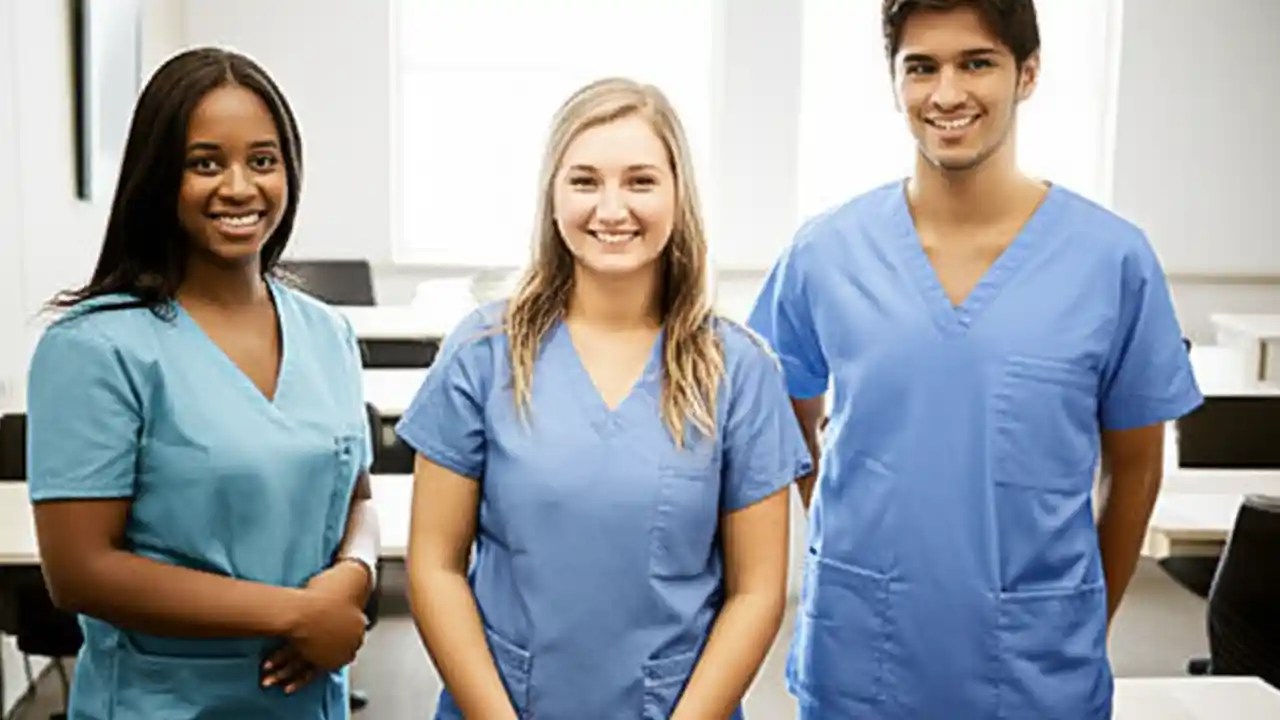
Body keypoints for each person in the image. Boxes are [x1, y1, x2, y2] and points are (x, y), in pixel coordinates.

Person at [747, 1, 1204, 718]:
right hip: (864, 660)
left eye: (977, 63)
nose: (947, 93)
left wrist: (1078, 618)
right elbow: (782, 427)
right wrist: (860, 536)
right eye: (921, 67)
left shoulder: (1111, 260)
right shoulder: (826, 254)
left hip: (1036, 670)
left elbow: (1137, 463)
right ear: (894, 82)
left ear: (1028, 73)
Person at [397, 77, 812, 719]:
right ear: (552, 196)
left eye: (640, 181)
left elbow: (757, 592)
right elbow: (433, 566)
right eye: (585, 181)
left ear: (678, 194)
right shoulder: (483, 353)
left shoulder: (739, 369)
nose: (611, 209)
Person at [26, 47, 379, 719]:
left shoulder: (326, 333)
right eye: (205, 162)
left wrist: (352, 579)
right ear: (160, 176)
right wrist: (298, 613)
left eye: (263, 160)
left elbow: (356, 497)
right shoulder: (96, 347)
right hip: (161, 704)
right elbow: (78, 571)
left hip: (306, 701)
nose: (240, 186)